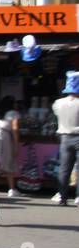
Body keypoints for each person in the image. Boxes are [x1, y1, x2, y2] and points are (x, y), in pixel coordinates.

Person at [52, 72, 79, 205]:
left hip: (64, 137)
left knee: (64, 168)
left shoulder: (58, 103)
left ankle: (62, 197)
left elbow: (56, 113)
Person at [0, 95, 22, 200]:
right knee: (9, 162)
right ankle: (11, 189)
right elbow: (15, 129)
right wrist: (16, 145)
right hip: (6, 137)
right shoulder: (14, 114)